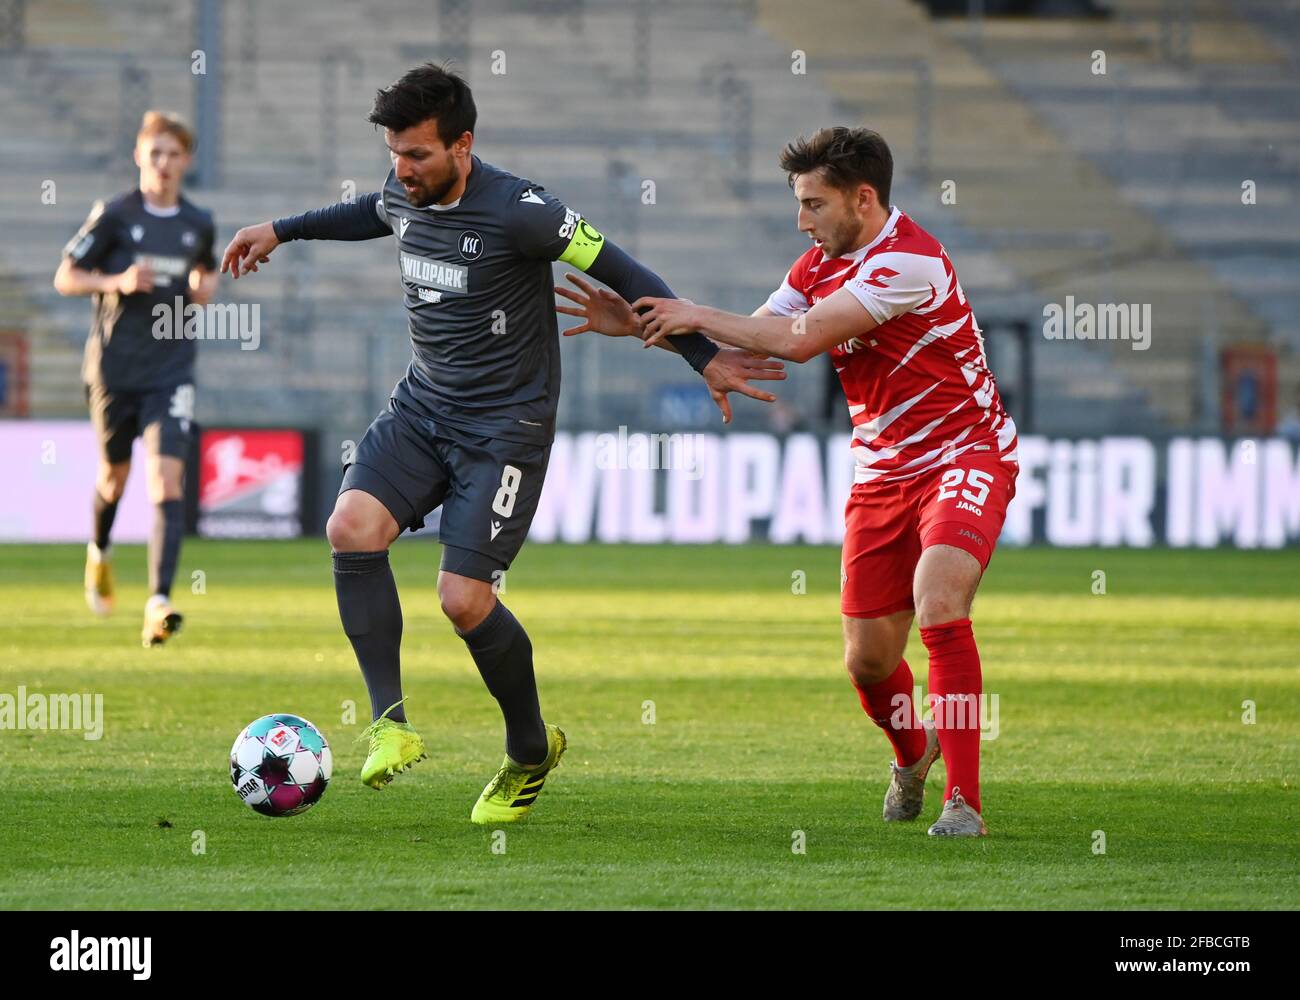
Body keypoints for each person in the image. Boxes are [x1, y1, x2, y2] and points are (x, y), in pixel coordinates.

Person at [221, 63, 785, 824]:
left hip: (504, 429)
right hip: (422, 408)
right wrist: (280, 230)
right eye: (394, 152)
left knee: (462, 600)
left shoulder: (525, 213)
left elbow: (626, 271)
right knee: (349, 528)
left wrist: (701, 354)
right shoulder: (402, 190)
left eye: (417, 153)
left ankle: (528, 752)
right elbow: (370, 211)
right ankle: (390, 724)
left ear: (463, 145)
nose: (402, 169)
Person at [558, 126, 1019, 837]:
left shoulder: (911, 262)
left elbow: (800, 340)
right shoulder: (813, 266)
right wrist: (654, 329)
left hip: (967, 453)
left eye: (814, 204)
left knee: (939, 601)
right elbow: (759, 332)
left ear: (863, 199)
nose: (802, 220)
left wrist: (693, 314)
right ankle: (915, 749)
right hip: (882, 471)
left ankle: (965, 803)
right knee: (868, 663)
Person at [55, 110, 219, 647]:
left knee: (165, 482)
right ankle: (99, 551)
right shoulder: (115, 215)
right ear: (139, 156)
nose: (164, 164)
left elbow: (206, 271)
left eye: (174, 154)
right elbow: (66, 276)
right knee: (113, 479)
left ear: (186, 160)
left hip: (170, 371)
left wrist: (203, 286)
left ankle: (158, 602)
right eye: (156, 153)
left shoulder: (198, 221)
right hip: (114, 370)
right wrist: (116, 280)